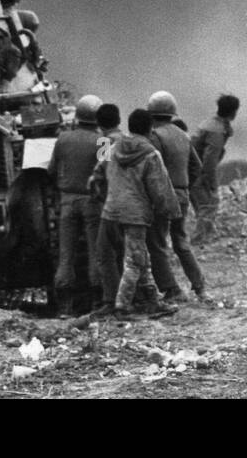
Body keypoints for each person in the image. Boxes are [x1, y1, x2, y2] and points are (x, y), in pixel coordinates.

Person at [90, 109, 179, 317]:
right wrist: (170, 211)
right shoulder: (150, 153)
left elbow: (96, 177)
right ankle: (122, 305)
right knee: (134, 260)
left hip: (110, 211)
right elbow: (160, 188)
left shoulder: (110, 147)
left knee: (135, 256)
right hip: (135, 214)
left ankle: (151, 300)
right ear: (150, 129)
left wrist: (103, 197)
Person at [144, 91, 208, 303]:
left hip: (163, 194)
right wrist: (184, 185)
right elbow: (197, 168)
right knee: (181, 241)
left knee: (157, 242)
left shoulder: (154, 136)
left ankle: (172, 289)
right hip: (182, 193)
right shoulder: (183, 135)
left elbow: (152, 168)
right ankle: (200, 287)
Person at [46, 94, 105, 314]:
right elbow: (105, 172)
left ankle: (65, 307)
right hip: (92, 200)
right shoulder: (102, 141)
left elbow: (51, 170)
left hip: (67, 201)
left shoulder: (63, 139)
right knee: (95, 252)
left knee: (66, 254)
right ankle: (97, 303)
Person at [190, 93, 239, 243]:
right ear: (234, 112)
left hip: (189, 170)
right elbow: (209, 160)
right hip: (197, 172)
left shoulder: (211, 123)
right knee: (210, 204)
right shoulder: (216, 131)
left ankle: (204, 240)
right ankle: (199, 243)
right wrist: (211, 183)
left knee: (203, 208)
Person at [89, 104, 125, 305]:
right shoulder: (127, 139)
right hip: (132, 202)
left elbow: (100, 174)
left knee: (105, 254)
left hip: (111, 203)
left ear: (99, 123)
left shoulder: (105, 141)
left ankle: (112, 297)